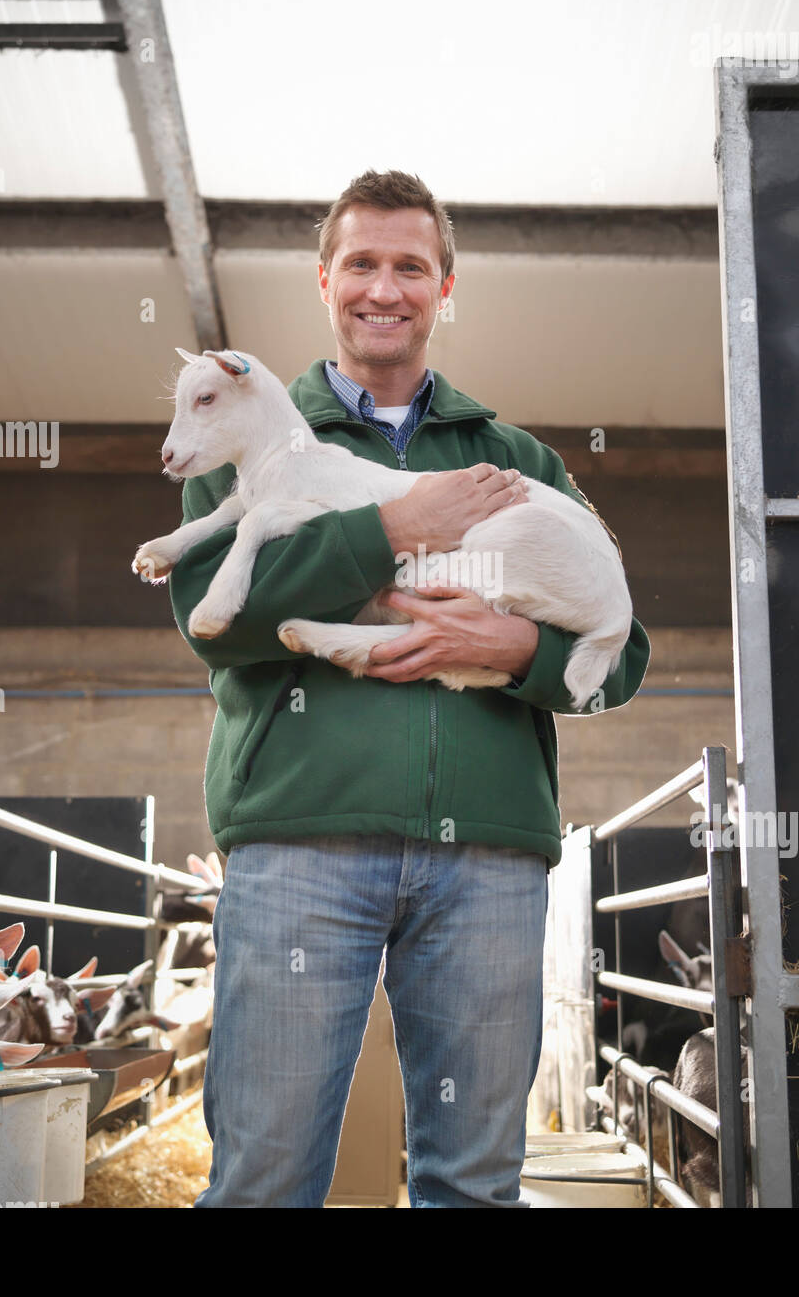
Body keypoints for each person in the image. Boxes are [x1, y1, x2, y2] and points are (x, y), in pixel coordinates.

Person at [169, 169, 650, 1207]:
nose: (384, 287)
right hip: (301, 843)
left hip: (483, 859)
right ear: (323, 280)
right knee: (263, 1176)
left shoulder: (515, 460)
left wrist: (517, 641)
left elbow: (622, 659)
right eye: (361, 263)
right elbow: (219, 618)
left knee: (474, 1183)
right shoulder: (246, 429)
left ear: (444, 287)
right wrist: (393, 526)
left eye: (410, 266)